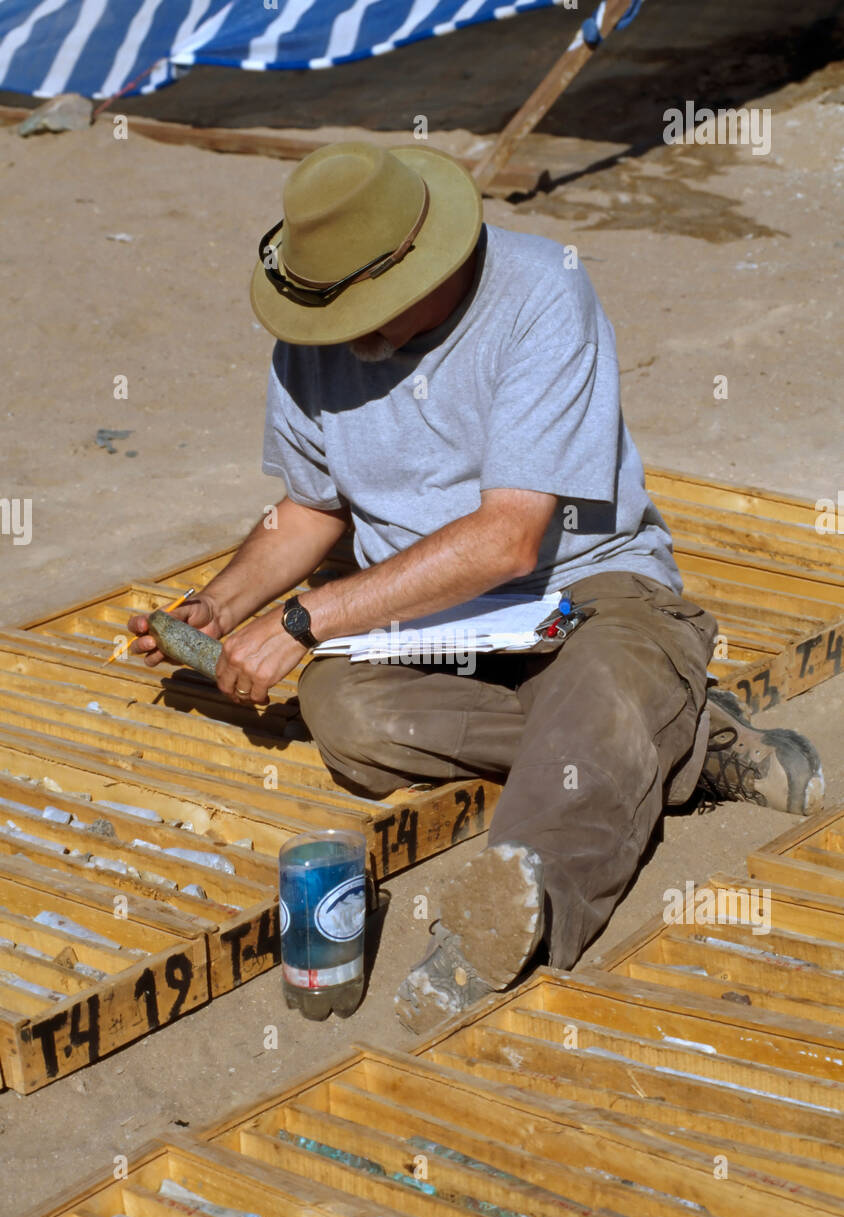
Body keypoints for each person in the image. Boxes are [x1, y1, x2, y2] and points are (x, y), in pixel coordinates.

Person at [129, 140, 824, 1034]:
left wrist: (305, 617)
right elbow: (309, 513)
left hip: (588, 585)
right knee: (346, 716)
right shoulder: (314, 331)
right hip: (416, 620)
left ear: (432, 261)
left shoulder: (540, 293)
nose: (353, 337)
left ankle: (515, 903)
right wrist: (218, 608)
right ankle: (684, 738)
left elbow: (508, 539)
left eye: (370, 310)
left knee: (604, 680)